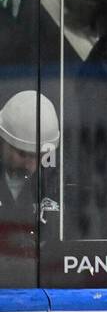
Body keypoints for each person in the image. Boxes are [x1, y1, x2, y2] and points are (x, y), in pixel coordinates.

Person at [0, 90, 60, 259]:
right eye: (22, 154)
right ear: (2, 141)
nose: (31, 166)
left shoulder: (60, 179)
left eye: (39, 156)